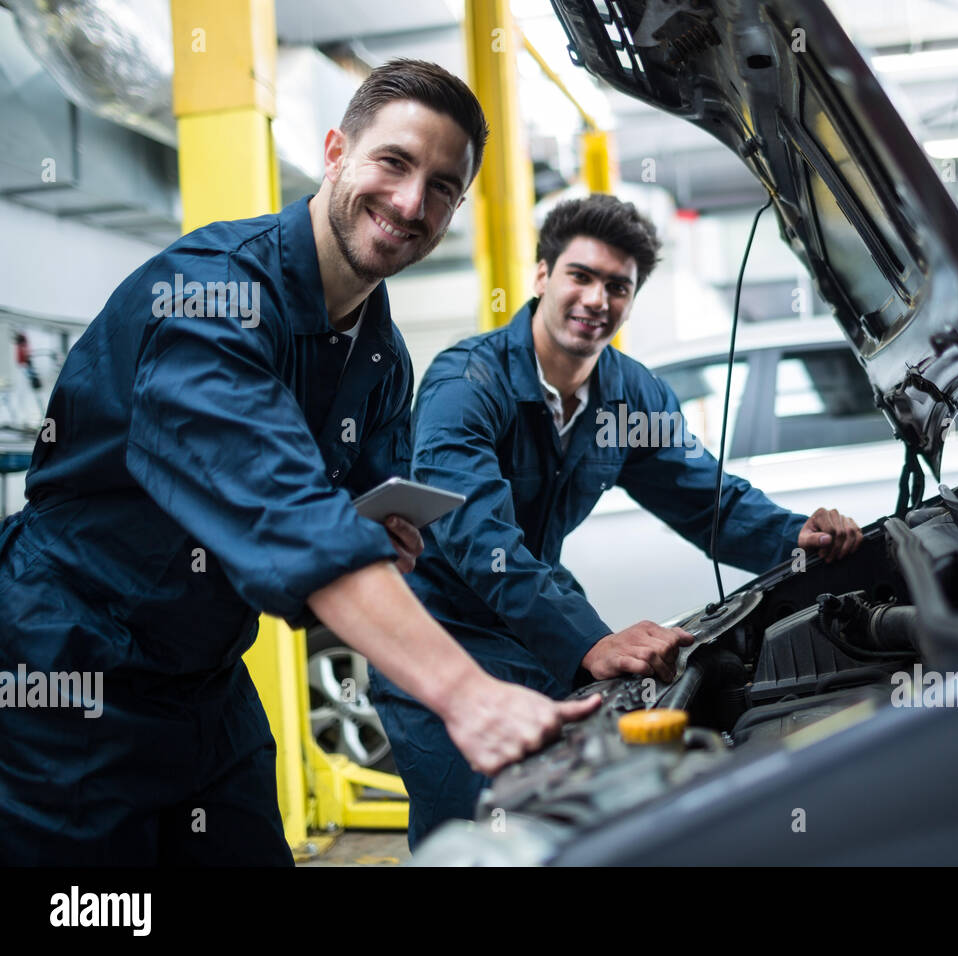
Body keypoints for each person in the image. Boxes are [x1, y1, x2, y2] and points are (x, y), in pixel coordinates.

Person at [0, 59, 597, 866]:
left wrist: (383, 538)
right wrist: (467, 697)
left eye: (444, 187)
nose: (412, 202)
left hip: (203, 682)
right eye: (393, 162)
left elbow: (342, 530)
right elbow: (285, 516)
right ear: (334, 152)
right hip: (65, 674)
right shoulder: (209, 299)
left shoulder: (381, 356)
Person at [371, 193, 863, 847]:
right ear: (544, 276)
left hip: (532, 626)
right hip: (435, 633)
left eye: (617, 285)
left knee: (564, 809)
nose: (596, 298)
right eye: (581, 275)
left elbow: (707, 500)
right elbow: (475, 535)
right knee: (475, 825)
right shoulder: (469, 381)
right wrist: (585, 642)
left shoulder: (630, 394)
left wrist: (794, 537)